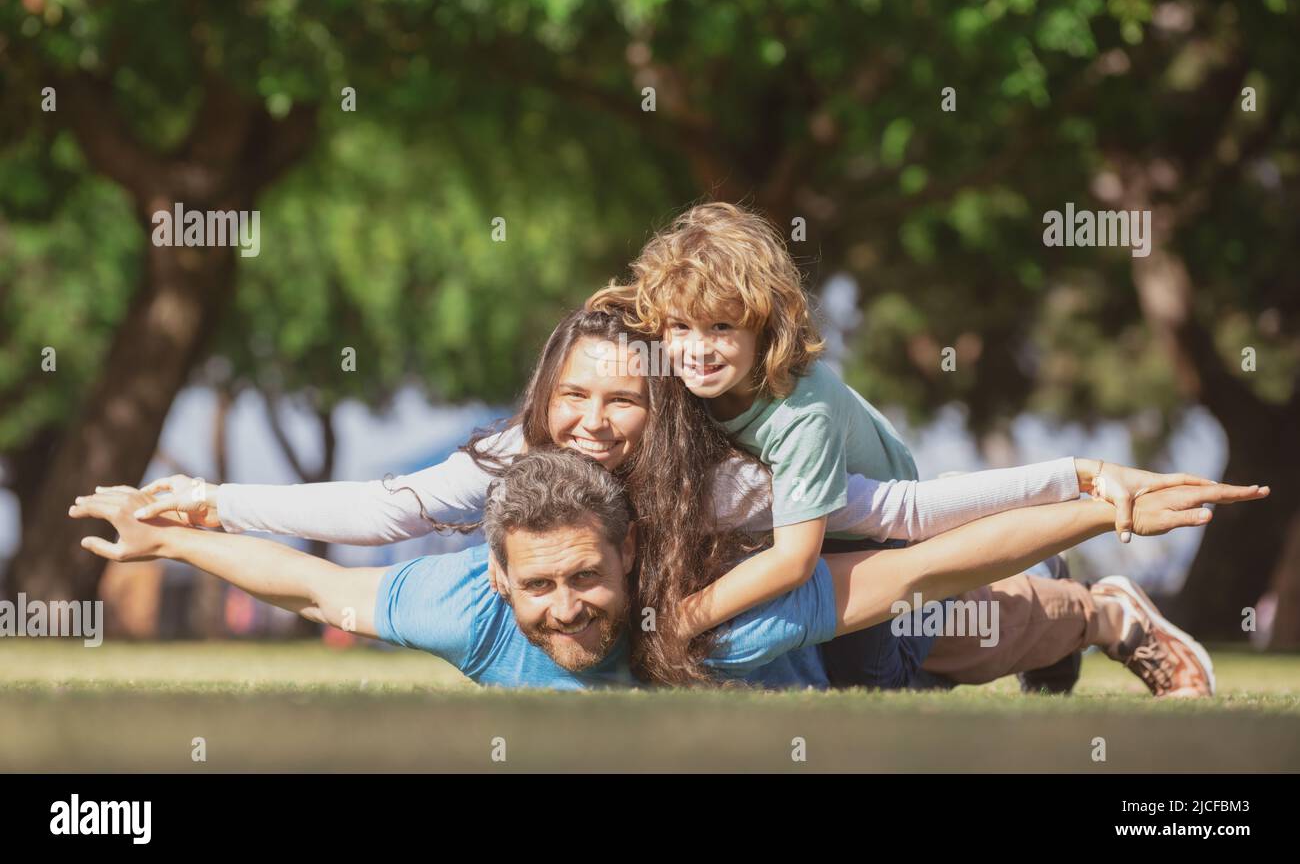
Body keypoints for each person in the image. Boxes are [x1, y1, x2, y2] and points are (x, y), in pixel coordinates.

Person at [130, 307, 1217, 691]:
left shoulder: (724, 476)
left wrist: (1088, 486)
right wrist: (205, 510)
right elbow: (364, 531)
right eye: (573, 398)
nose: (594, 421)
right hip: (732, 618)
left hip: (795, 586)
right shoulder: (509, 471)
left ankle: (1098, 612)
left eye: (621, 399)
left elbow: (902, 528)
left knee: (906, 650)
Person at [584, 203, 1200, 684]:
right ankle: (1037, 586)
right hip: (798, 524)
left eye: (722, 326)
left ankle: (1081, 610)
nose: (699, 347)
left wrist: (679, 621)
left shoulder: (801, 410)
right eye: (683, 328)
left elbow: (799, 560)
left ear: (764, 327)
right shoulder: (674, 373)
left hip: (877, 527)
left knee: (882, 674)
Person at [71, 449, 1267, 695]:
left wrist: (1082, 501)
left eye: (583, 578)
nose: (561, 606)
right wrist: (171, 535)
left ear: (630, 558)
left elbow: (922, 550)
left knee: (946, 630)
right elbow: (316, 584)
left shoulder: (695, 625)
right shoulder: (466, 607)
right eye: (535, 585)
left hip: (842, 654)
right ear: (491, 572)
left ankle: (1096, 615)